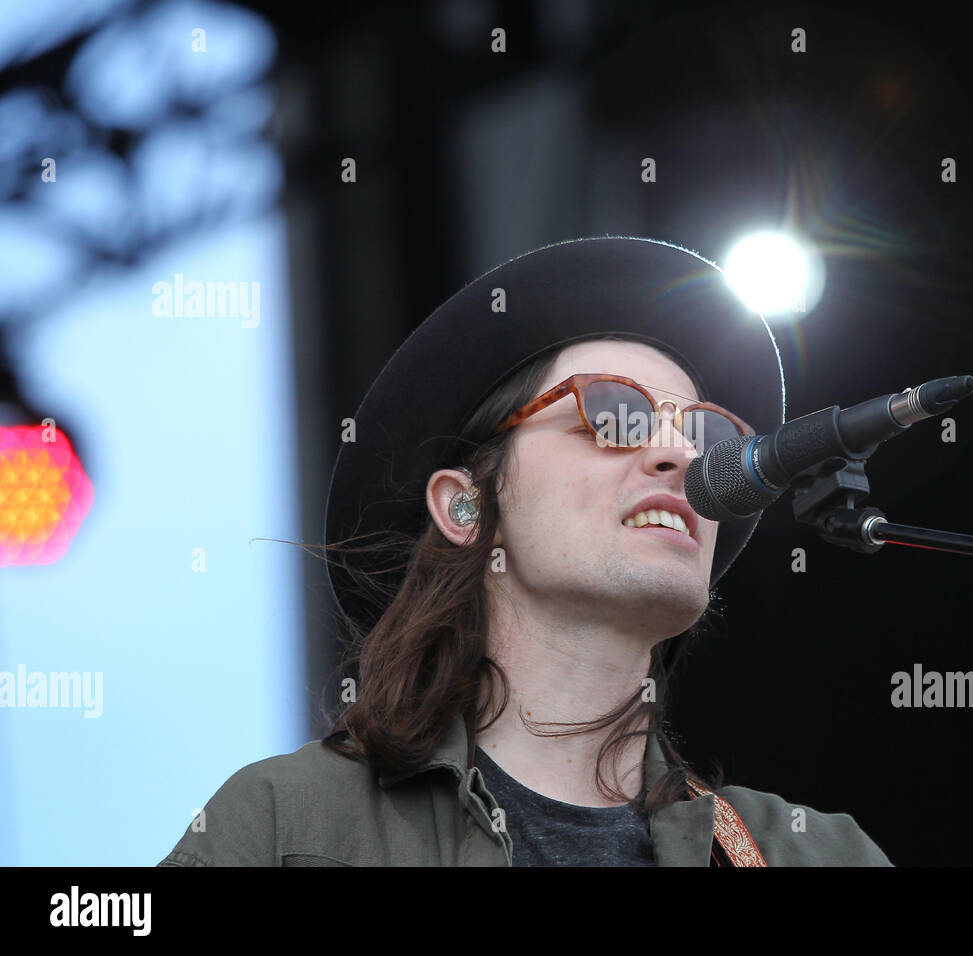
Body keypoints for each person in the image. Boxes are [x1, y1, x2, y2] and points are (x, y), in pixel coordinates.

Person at [159, 237, 893, 866]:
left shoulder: (814, 853)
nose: (678, 452)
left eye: (706, 435)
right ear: (465, 504)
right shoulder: (285, 827)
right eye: (612, 412)